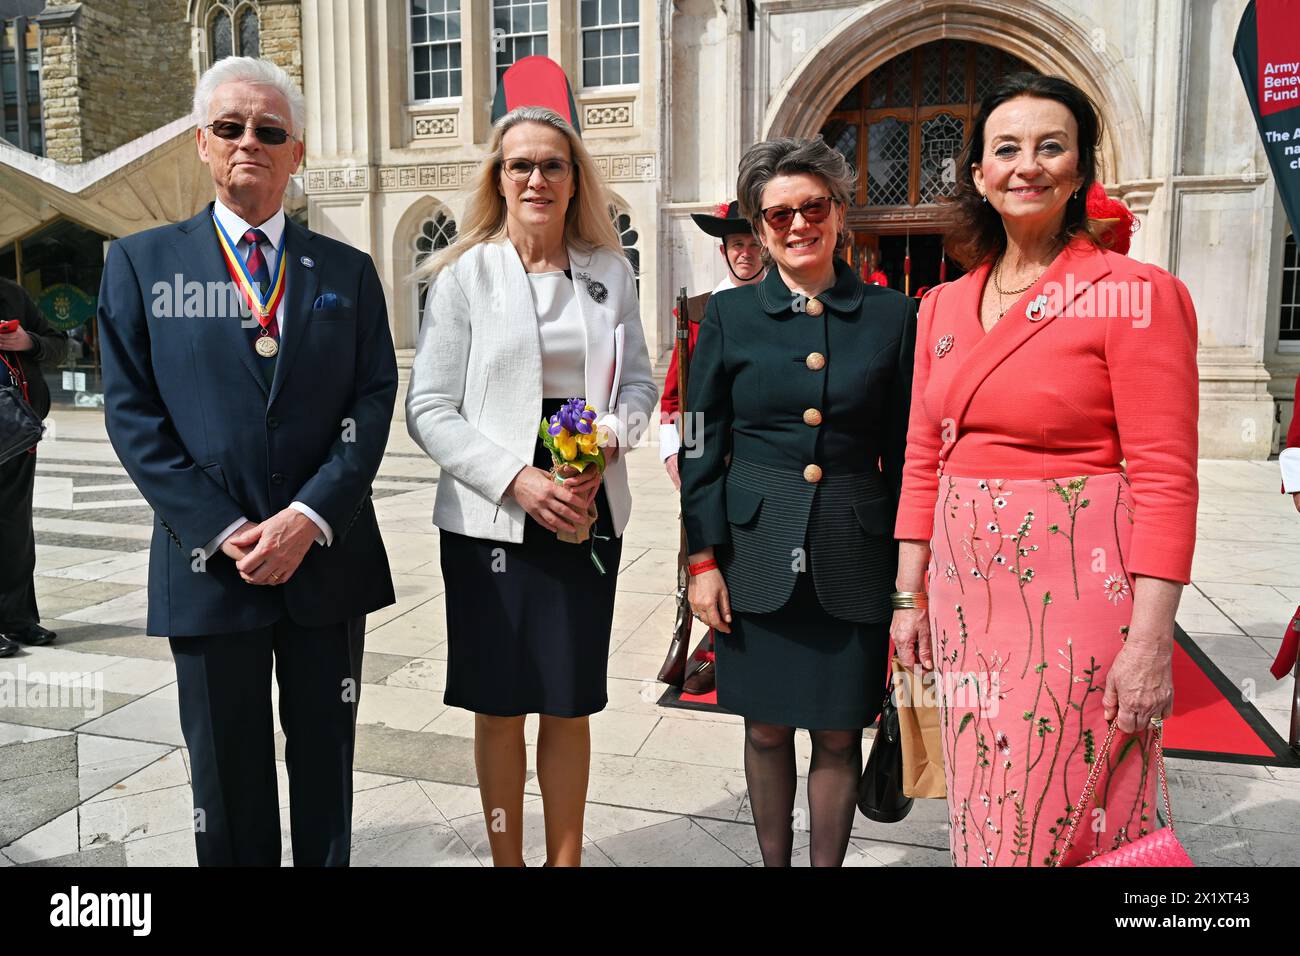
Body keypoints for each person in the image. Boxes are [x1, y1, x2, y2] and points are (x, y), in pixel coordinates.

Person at [891, 72, 1199, 867]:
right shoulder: (941, 305)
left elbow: (1165, 476)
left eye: (1050, 147)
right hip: (962, 593)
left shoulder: (1134, 294)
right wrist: (907, 598)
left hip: (1075, 589)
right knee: (981, 792)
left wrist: (1151, 642)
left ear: (1080, 169)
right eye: (1007, 149)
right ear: (978, 175)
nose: (1027, 165)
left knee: (1062, 802)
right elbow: (924, 458)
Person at [97, 56, 398, 866]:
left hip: (324, 563)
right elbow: (131, 415)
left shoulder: (347, 272)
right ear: (201, 142)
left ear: (296, 153)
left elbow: (372, 403)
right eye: (229, 127)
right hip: (208, 566)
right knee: (226, 775)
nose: (248, 143)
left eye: (270, 131)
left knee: (326, 759)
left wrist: (307, 516)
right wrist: (223, 525)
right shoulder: (141, 265)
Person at [405, 103, 657, 868]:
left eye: (553, 163)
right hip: (492, 516)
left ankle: (565, 861)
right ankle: (509, 860)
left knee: (568, 700)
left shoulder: (610, 273)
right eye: (521, 164)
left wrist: (606, 443)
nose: (537, 178)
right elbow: (427, 407)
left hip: (587, 504)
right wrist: (517, 478)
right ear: (499, 178)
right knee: (497, 704)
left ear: (575, 178)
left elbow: (639, 387)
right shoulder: (464, 275)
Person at [680, 137, 916, 866]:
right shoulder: (727, 315)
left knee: (842, 734)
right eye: (777, 213)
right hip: (753, 554)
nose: (796, 225)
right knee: (764, 730)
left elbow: (911, 454)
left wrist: (914, 580)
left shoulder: (894, 316)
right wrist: (700, 558)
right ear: (759, 224)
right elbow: (699, 442)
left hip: (855, 555)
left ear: (840, 211)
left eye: (812, 206)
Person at [659, 200, 766, 694]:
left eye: (751, 243)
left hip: (765, 461)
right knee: (705, 558)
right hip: (712, 462)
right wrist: (682, 459)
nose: (745, 253)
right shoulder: (700, 312)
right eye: (736, 245)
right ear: (724, 251)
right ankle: (706, 643)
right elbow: (680, 400)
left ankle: (731, 649)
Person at [0, 278, 68, 657]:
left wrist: (29, 342)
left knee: (14, 528)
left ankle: (17, 618)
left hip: (13, 431)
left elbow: (59, 345)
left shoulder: (11, 294)